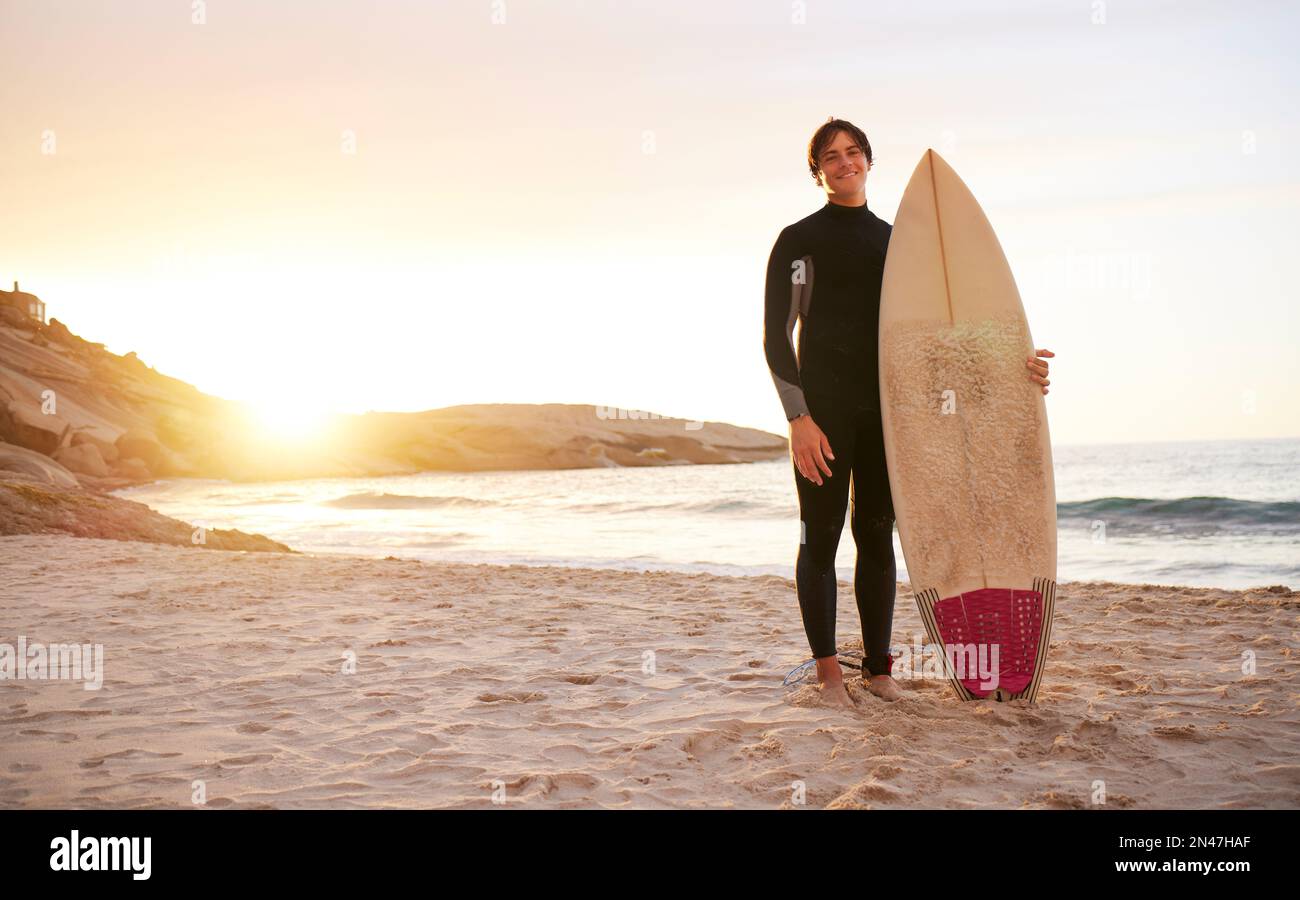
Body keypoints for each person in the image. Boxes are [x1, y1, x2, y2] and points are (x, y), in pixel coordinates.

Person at [763, 117, 1053, 708]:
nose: (845, 163)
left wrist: (1017, 369)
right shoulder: (799, 241)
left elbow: (944, 343)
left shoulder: (898, 247)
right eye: (831, 156)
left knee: (877, 537)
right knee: (819, 539)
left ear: (868, 160)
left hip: (891, 420)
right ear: (817, 171)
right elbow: (775, 335)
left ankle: (878, 670)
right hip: (823, 414)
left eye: (853, 152)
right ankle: (828, 676)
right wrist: (799, 419)